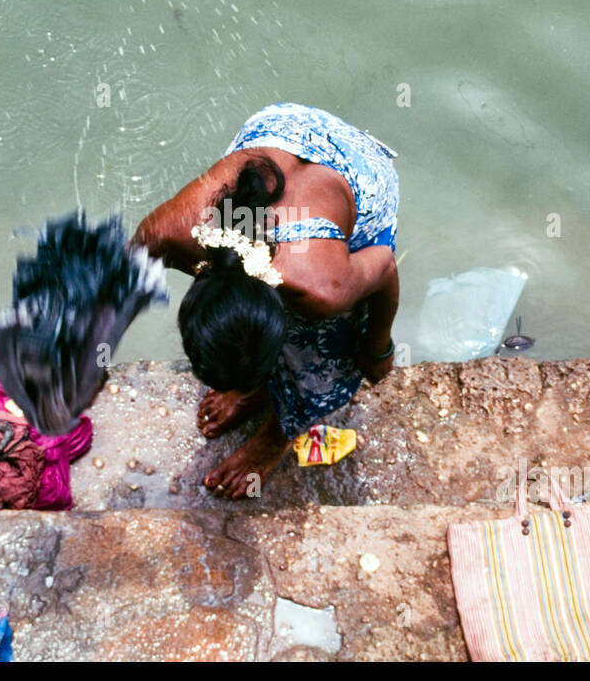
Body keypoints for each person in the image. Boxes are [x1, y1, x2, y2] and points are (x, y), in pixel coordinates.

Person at [132, 102, 400, 498]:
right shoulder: (167, 234)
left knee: (327, 354)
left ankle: (276, 436)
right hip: (277, 134)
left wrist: (377, 349)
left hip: (360, 172)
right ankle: (250, 384)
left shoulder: (322, 287)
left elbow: (384, 266)